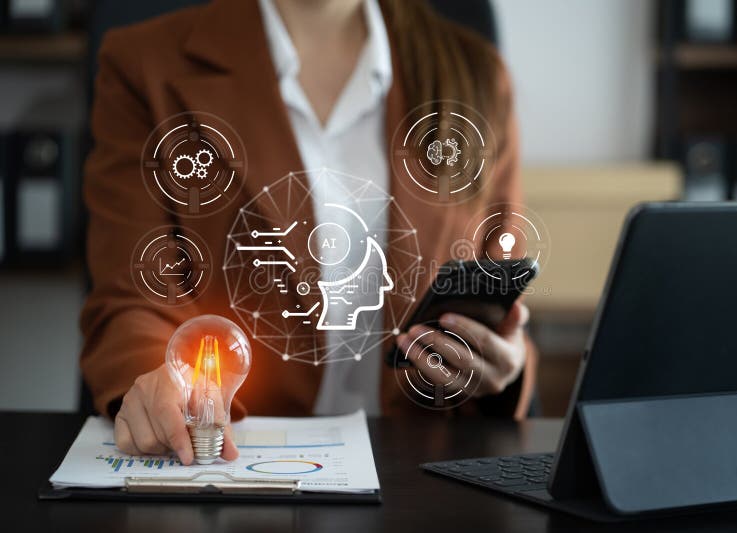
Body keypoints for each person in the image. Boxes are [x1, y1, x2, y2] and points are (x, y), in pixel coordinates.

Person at [81, 0, 537, 465]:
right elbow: (132, 297)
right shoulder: (144, 64)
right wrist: (156, 382)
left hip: (420, 469)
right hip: (235, 463)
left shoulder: (477, 75)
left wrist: (505, 365)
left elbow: (497, 304)